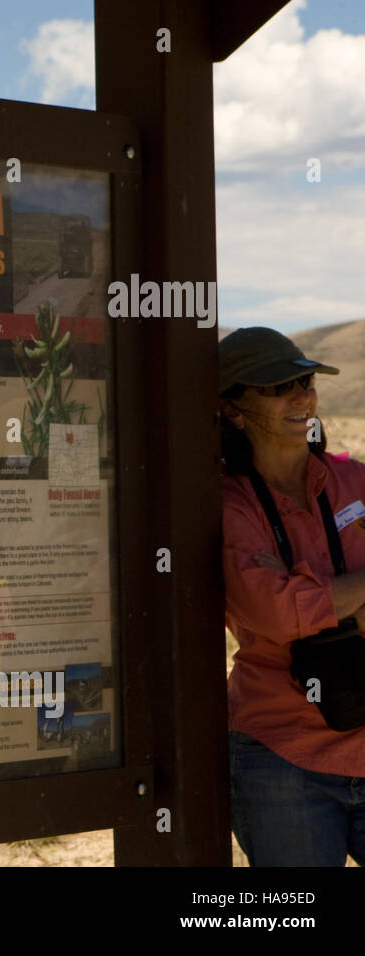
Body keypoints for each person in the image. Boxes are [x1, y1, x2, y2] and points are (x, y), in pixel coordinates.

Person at [220, 326, 365, 866]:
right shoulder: (230, 506)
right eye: (280, 386)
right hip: (280, 757)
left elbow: (288, 604)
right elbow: (273, 613)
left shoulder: (355, 480)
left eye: (305, 381)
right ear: (235, 409)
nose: (302, 396)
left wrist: (306, 591)